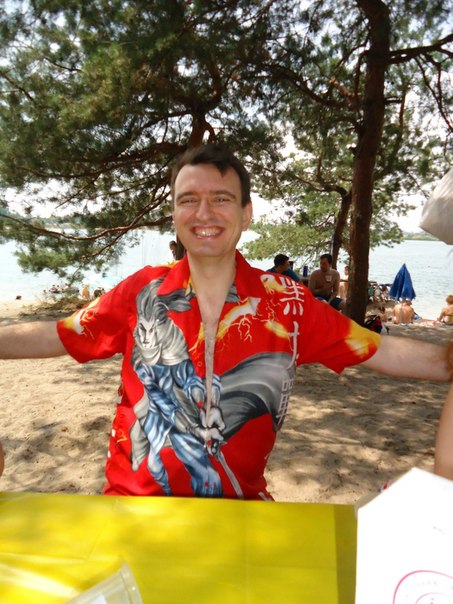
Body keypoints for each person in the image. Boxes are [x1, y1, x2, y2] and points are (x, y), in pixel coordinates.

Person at [0, 144, 451, 499]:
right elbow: (57, 334)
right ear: (175, 215)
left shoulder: (288, 302)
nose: (204, 213)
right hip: (132, 507)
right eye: (188, 200)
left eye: (221, 199)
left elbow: (382, 348)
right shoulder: (141, 292)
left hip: (241, 508)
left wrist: (448, 360)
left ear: (246, 213)